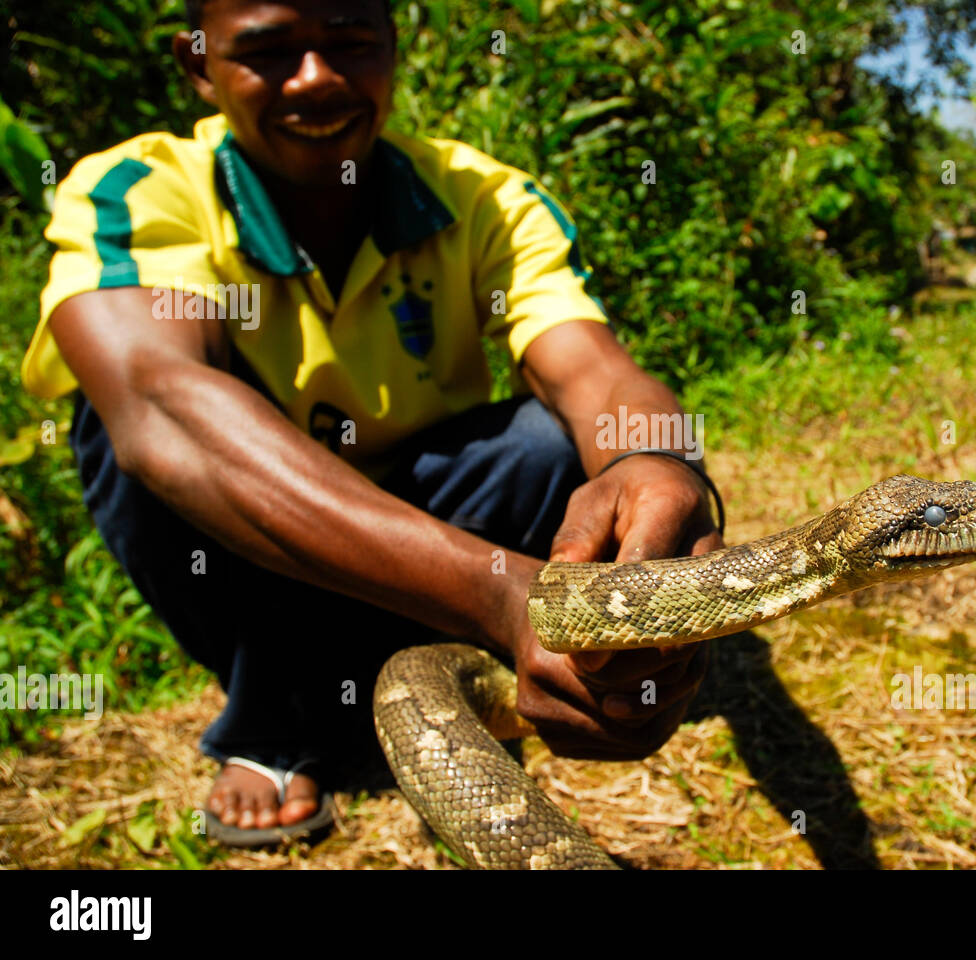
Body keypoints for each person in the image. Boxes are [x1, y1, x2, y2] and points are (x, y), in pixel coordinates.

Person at [21, 0, 720, 845]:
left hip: (428, 515)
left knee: (548, 444)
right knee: (125, 418)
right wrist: (503, 595)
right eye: (270, 51)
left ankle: (419, 687)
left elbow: (593, 368)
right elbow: (163, 402)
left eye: (349, 42)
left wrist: (660, 464)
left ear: (393, 49)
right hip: (262, 551)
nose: (315, 78)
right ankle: (276, 723)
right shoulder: (140, 187)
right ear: (199, 65)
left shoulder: (483, 196)